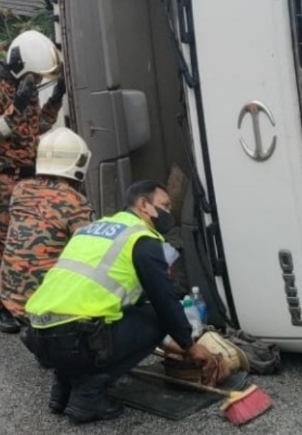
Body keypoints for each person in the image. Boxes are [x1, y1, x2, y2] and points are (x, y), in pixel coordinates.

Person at [22, 181, 218, 424]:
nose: (169, 212)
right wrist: (189, 345)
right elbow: (164, 300)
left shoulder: (93, 229)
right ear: (144, 205)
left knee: (107, 316)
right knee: (157, 318)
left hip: (37, 335)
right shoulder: (141, 239)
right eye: (165, 205)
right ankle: (88, 396)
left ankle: (62, 390)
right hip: (74, 341)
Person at [0, 30, 66, 334]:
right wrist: (16, 107)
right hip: (0, 180)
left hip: (27, 179)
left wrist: (54, 99)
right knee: (0, 242)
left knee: (25, 241)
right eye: (36, 77)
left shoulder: (28, 92)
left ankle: (20, 300)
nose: (39, 83)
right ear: (22, 68)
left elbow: (37, 127)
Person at [0, 127, 95, 324]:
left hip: (9, 297)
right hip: (44, 305)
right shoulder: (75, 202)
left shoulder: (20, 189)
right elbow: (90, 252)